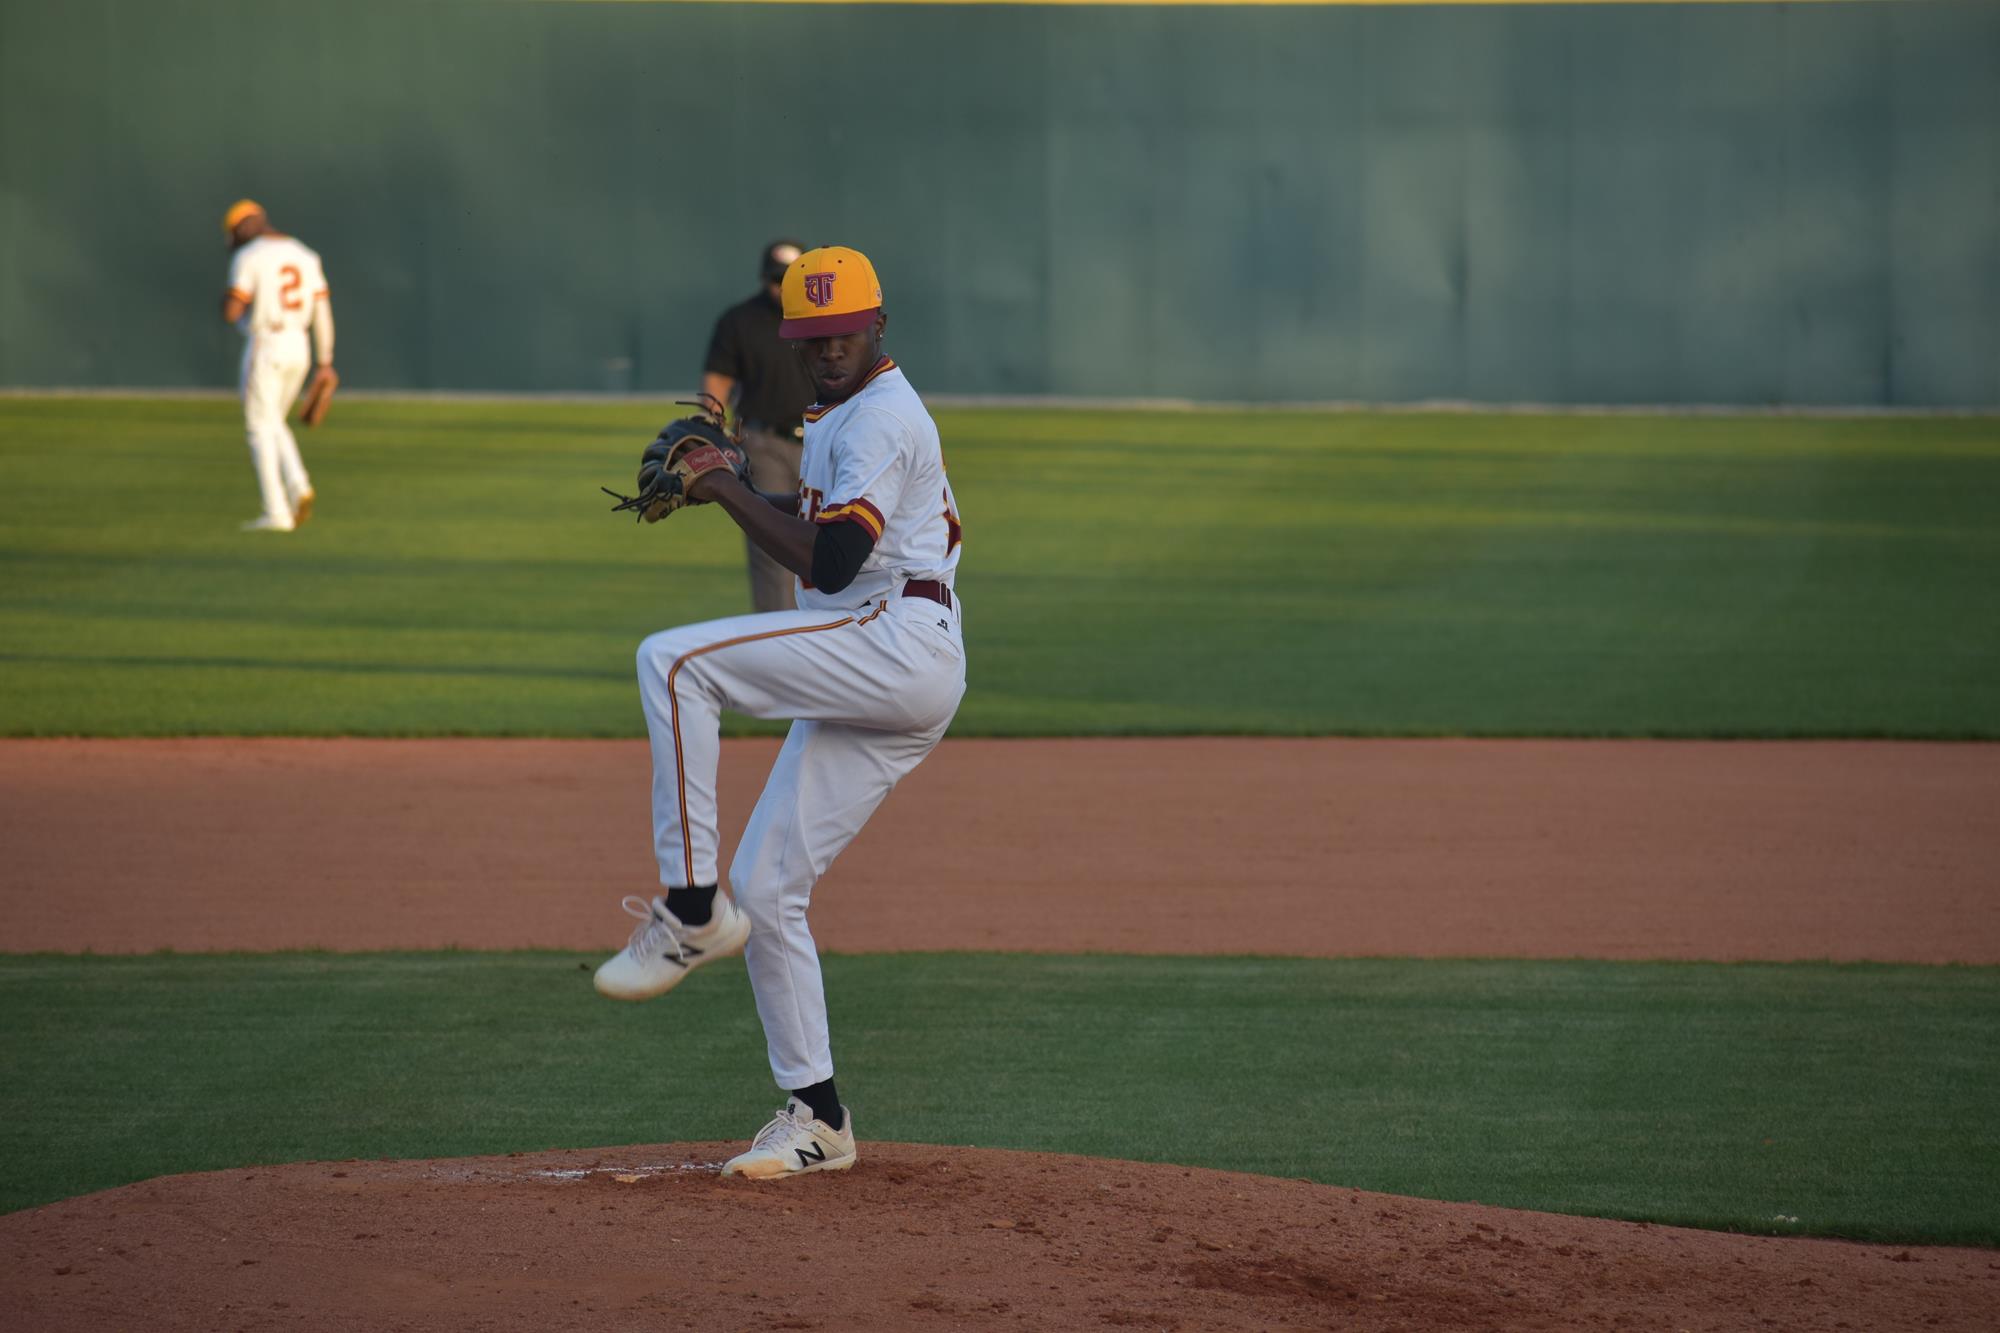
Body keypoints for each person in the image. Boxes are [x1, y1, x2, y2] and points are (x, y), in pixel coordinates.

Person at [594, 245, 966, 1180]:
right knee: (766, 894)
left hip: (891, 641)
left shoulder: (881, 416)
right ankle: (819, 1115)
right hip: (885, 656)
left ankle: (686, 907)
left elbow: (832, 563)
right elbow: (819, 532)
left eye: (846, 330)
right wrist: (731, 484)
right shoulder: (840, 411)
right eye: (814, 334)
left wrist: (718, 484)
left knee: (673, 661)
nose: (831, 346)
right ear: (794, 340)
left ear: (879, 325)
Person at [700, 240, 817, 612]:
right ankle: (776, 644)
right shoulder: (740, 321)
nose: (781, 287)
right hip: (763, 441)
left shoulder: (821, 318)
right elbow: (717, 380)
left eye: (789, 279)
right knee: (770, 541)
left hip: (822, 441)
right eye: (775, 279)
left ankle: (827, 640)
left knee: (833, 534)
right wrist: (711, 427)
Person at [218, 199, 334, 532]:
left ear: (243, 226)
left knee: (258, 426)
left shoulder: (250, 256)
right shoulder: (305, 255)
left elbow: (232, 310)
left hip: (267, 341)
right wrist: (325, 360)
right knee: (273, 420)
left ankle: (276, 512)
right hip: (300, 342)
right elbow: (322, 311)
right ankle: (298, 484)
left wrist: (228, 305)